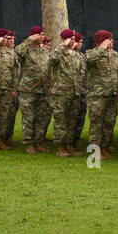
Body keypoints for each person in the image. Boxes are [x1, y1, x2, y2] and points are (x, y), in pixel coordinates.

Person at [47, 29, 85, 157]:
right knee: (61, 120)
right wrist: (63, 45)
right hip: (61, 92)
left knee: (72, 120)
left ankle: (69, 145)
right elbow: (51, 60)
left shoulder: (74, 54)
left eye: (74, 39)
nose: (73, 42)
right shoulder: (60, 52)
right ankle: (61, 147)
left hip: (74, 92)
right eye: (72, 39)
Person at [14, 26, 52, 153]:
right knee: (29, 117)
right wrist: (29, 40)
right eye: (39, 35)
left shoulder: (44, 51)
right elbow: (17, 52)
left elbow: (49, 69)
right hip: (28, 89)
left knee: (42, 117)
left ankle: (39, 141)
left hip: (43, 89)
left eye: (42, 35)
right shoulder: (26, 49)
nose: (42, 37)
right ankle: (29, 143)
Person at [85, 30, 118, 153]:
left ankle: (105, 146)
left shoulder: (115, 54)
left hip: (112, 93)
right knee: (97, 123)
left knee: (109, 122)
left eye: (111, 39)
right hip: (98, 95)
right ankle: (95, 149)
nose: (112, 42)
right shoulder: (92, 53)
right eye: (109, 39)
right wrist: (102, 48)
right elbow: (88, 61)